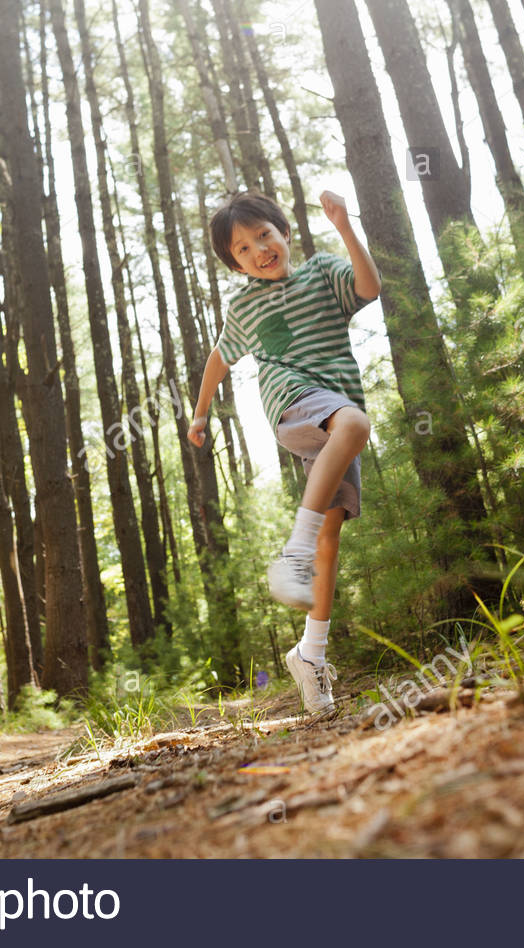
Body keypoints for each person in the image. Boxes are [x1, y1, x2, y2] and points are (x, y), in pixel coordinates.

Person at [189, 189, 381, 714]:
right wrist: (200, 412)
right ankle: (294, 551)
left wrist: (344, 225)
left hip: (333, 414)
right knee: (357, 424)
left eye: (263, 236)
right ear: (235, 264)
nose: (258, 250)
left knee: (332, 529)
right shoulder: (245, 305)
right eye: (243, 249)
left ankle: (310, 654)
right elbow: (218, 360)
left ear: (284, 232)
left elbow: (369, 287)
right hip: (293, 404)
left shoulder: (322, 272)